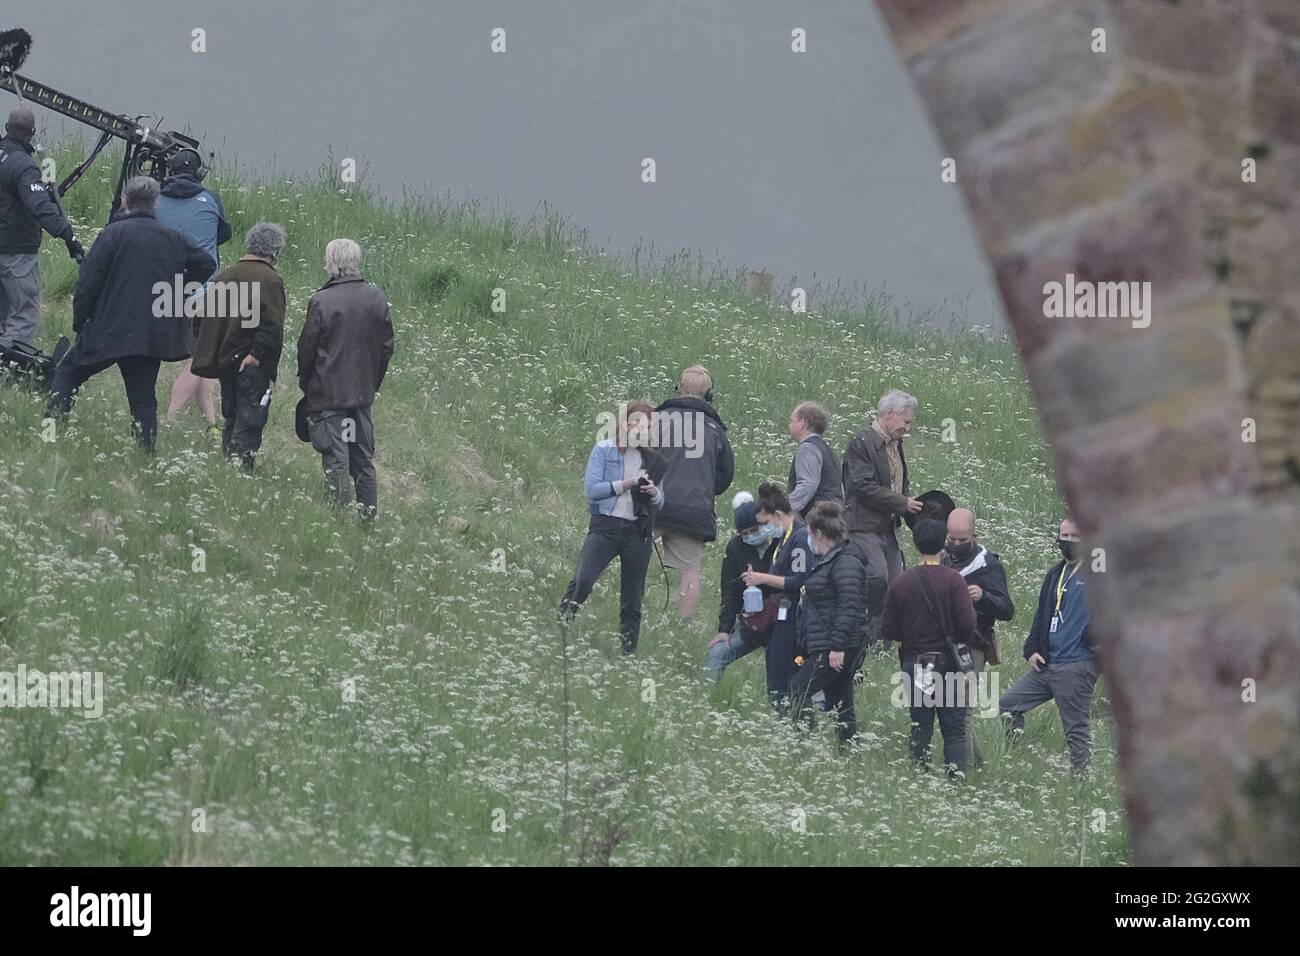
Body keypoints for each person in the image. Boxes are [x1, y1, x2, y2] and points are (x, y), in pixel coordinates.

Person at [46, 177, 214, 451]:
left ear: (125, 201)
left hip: (108, 329)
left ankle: (50, 433)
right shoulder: (172, 238)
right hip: (149, 336)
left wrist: (81, 322)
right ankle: (145, 453)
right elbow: (205, 264)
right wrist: (176, 289)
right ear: (155, 203)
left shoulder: (113, 234)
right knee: (143, 398)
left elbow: (88, 282)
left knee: (67, 374)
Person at [558, 400, 666, 654]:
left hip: (638, 531)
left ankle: (628, 653)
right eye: (636, 422)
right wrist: (627, 483)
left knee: (632, 597)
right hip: (605, 526)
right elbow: (592, 490)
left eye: (646, 425)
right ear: (625, 423)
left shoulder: (653, 459)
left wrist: (653, 493)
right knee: (584, 578)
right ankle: (564, 620)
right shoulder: (604, 450)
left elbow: (663, 500)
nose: (640, 429)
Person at [298, 238, 395, 517]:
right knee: (363, 460)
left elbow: (307, 350)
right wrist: (372, 382)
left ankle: (340, 519)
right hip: (361, 394)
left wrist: (308, 384)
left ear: (331, 262)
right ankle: (367, 521)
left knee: (336, 459)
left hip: (328, 394)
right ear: (356, 261)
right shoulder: (376, 297)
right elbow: (387, 346)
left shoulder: (321, 300)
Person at [881, 518, 978, 780]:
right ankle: (956, 779)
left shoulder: (901, 582)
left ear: (916, 545)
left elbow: (888, 630)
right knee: (954, 729)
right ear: (943, 543)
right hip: (949, 664)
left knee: (920, 726)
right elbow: (968, 624)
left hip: (916, 663)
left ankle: (919, 778)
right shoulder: (954, 581)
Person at [999, 518, 1098, 772]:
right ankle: (1013, 756)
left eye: (1075, 537)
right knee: (1008, 704)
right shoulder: (1057, 573)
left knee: (1075, 729)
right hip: (1046, 664)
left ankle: (1080, 781)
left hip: (1076, 664)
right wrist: (1031, 649)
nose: (1068, 542)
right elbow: (1042, 616)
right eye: (1063, 536)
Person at [190, 223, 287, 470]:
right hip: (251, 364)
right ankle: (240, 471)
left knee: (231, 416)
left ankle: (227, 466)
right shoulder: (270, 279)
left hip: (225, 361)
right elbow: (272, 326)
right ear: (274, 250)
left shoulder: (226, 275)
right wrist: (256, 355)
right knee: (250, 420)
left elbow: (202, 318)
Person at [157, 148, 233, 430]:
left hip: (163, 290)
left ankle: (211, 424)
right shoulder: (210, 199)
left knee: (203, 359)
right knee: (199, 358)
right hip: (202, 293)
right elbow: (223, 234)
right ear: (199, 174)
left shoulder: (154, 198)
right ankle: (171, 418)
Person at [652, 365, 735, 622]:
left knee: (624, 553)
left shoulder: (657, 420)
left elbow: (637, 458)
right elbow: (725, 476)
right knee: (690, 573)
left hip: (652, 505)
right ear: (709, 395)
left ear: (679, 388)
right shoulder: (715, 430)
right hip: (694, 511)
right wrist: (704, 489)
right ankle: (684, 626)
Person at [843, 389, 923, 646]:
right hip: (863, 525)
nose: (908, 428)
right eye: (906, 421)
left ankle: (882, 641)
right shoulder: (862, 442)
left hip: (889, 527)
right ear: (890, 414)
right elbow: (861, 486)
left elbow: (901, 483)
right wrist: (902, 503)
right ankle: (860, 631)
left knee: (897, 584)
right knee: (876, 576)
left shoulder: (897, 445)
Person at [0, 107, 83, 351]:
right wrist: (69, 235)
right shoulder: (24, 166)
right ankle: (9, 362)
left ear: (7, 128)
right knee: (23, 312)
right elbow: (40, 208)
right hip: (16, 251)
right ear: (32, 133)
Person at [788, 501, 868, 745]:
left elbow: (849, 605)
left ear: (819, 533)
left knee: (798, 689)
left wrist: (837, 647)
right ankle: (849, 749)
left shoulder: (845, 562)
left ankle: (802, 742)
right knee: (840, 699)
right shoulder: (833, 559)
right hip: (832, 642)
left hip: (833, 645)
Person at [941, 507, 1015, 769]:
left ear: (975, 535)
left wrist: (983, 597)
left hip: (973, 644)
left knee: (962, 711)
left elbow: (1007, 609)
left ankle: (964, 771)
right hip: (942, 642)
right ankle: (977, 764)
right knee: (946, 707)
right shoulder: (941, 558)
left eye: (963, 540)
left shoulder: (988, 565)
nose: (956, 545)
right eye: (952, 539)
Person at [742, 482, 815, 713]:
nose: (763, 529)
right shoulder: (782, 540)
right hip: (781, 618)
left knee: (787, 677)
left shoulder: (800, 537)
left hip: (794, 618)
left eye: (765, 523)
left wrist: (763, 579)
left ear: (778, 515)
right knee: (775, 676)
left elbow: (799, 580)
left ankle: (796, 720)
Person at [705, 492, 781, 682]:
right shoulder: (736, 548)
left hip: (782, 620)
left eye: (753, 531)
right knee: (717, 654)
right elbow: (730, 592)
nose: (750, 537)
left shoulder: (784, 543)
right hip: (751, 621)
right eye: (744, 533)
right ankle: (706, 701)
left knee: (792, 665)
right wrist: (724, 629)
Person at [786, 400, 843, 518]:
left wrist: (784, 508)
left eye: (792, 421)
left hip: (817, 519)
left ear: (802, 424)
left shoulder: (808, 447)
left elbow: (807, 485)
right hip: (834, 517)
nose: (789, 425)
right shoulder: (826, 449)